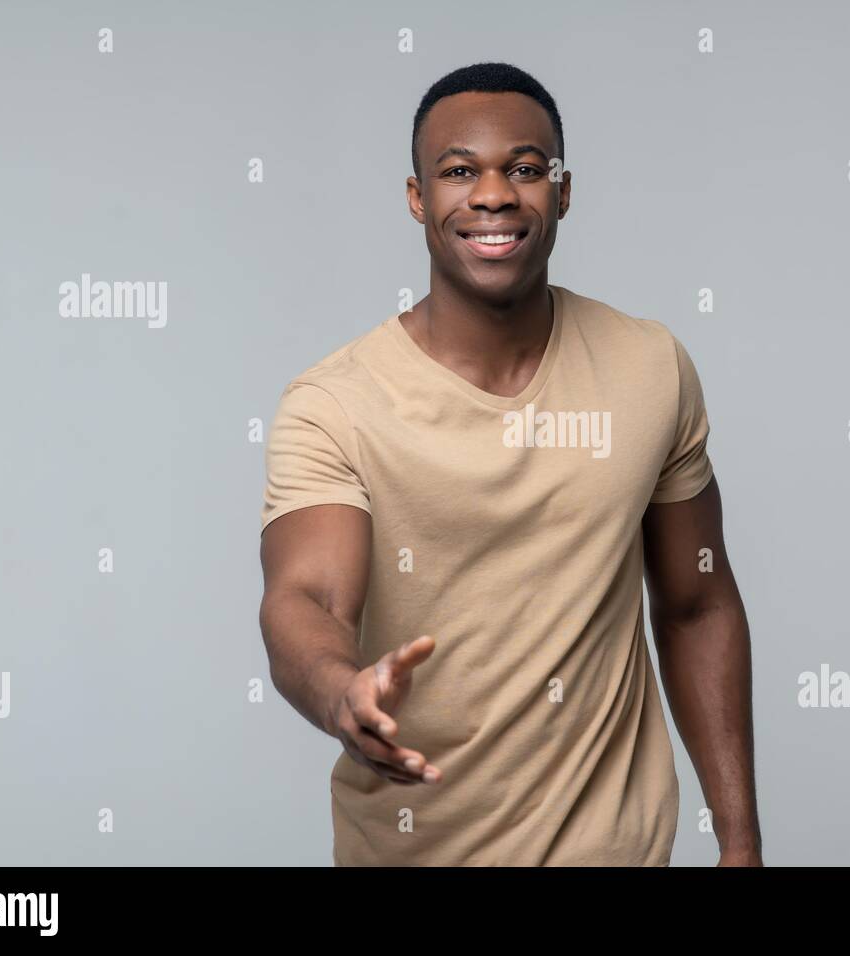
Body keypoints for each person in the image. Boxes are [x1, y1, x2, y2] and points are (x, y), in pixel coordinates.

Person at [258, 62, 760, 866]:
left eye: (524, 169)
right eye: (459, 171)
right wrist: (339, 690)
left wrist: (740, 843)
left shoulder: (650, 366)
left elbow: (698, 604)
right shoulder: (336, 404)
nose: (493, 195)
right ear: (418, 198)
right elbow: (304, 598)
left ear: (562, 192)